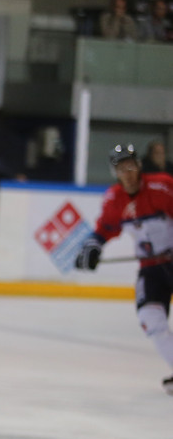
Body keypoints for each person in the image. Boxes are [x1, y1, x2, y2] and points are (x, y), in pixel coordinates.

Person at [75, 144, 173, 395]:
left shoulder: (162, 186)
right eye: (121, 169)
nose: (127, 173)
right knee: (150, 319)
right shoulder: (114, 199)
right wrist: (92, 248)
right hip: (151, 269)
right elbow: (103, 230)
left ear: (139, 166)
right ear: (115, 173)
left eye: (131, 166)